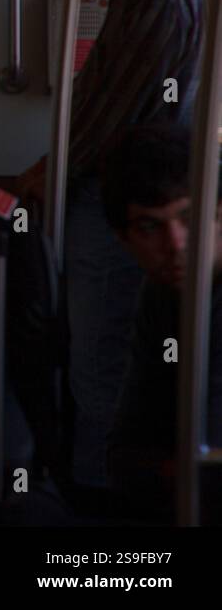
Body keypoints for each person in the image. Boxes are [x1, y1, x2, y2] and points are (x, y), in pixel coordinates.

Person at [19, 0, 201, 489]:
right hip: (105, 189)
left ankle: (98, 505)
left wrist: (48, 173)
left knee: (100, 357)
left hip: (119, 197)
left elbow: (115, 112)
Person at [102, 125, 222, 521]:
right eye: (151, 227)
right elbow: (125, 449)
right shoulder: (161, 296)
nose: (176, 243)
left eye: (190, 217)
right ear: (125, 240)